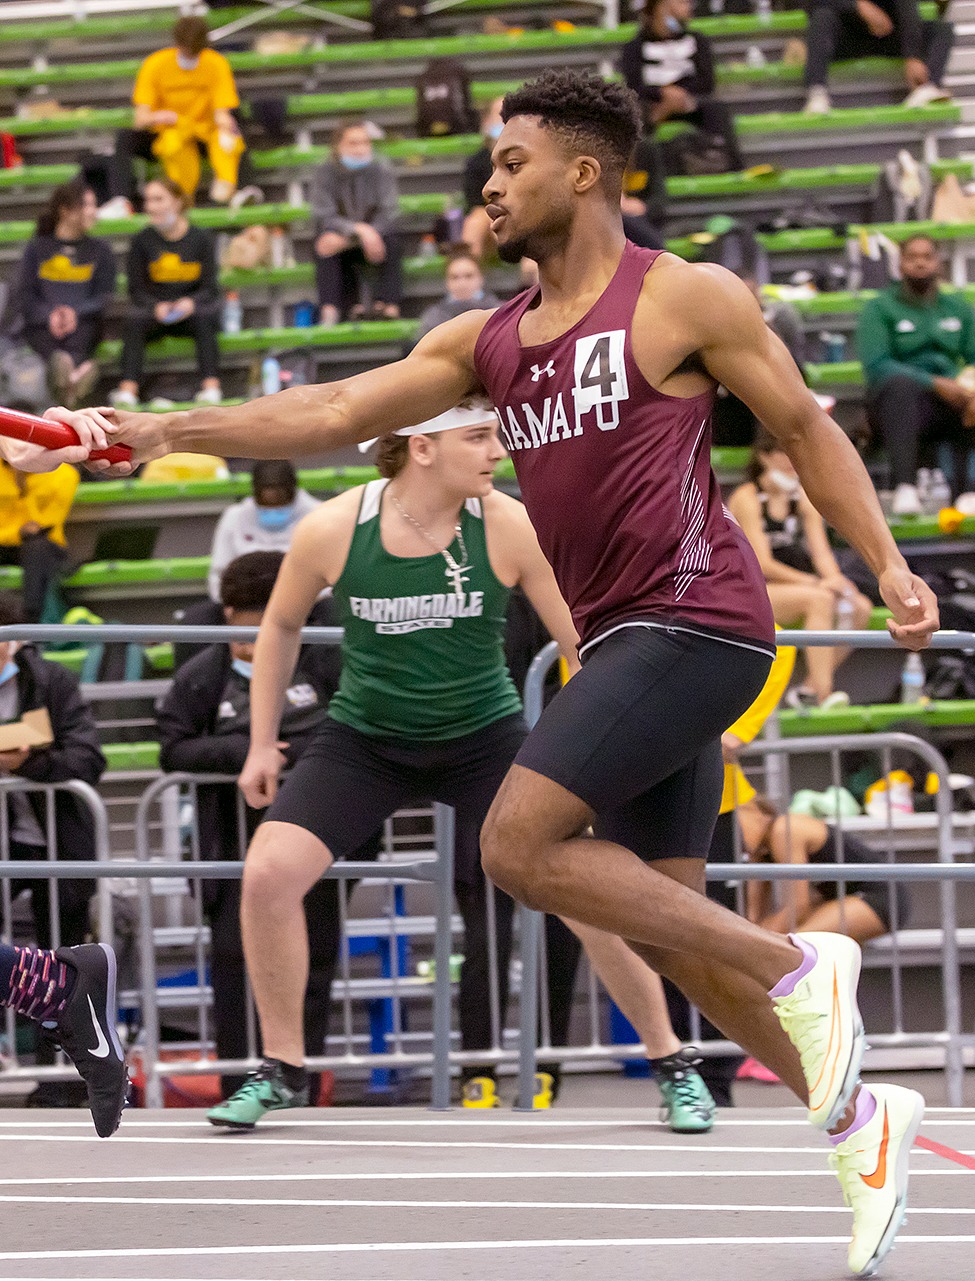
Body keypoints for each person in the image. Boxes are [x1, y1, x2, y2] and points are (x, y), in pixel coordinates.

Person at [93, 69, 938, 1274]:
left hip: (698, 617)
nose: (490, 184)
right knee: (678, 933)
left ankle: (803, 963)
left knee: (517, 847)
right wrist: (175, 430)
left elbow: (804, 428)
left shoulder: (682, 297)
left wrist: (889, 567)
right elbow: (338, 408)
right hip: (625, 639)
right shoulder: (487, 341)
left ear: (582, 173)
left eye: (511, 163)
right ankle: (860, 1117)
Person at [204, 404, 714, 1128]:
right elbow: (279, 625)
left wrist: (601, 745)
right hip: (365, 739)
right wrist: (261, 742)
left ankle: (671, 1061)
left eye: (494, 435)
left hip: (484, 734)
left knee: (588, 886)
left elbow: (580, 642)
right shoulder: (332, 529)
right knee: (266, 874)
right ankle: (281, 1066)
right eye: (477, 437)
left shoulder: (505, 523)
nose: (496, 451)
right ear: (421, 447)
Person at [157, 552, 345, 1098]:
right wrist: (247, 751)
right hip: (229, 850)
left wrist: (287, 755)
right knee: (236, 967)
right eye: (244, 622)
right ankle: (241, 1081)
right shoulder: (201, 677)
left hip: (314, 848)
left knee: (315, 961)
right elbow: (173, 747)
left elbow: (349, 728)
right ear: (227, 615)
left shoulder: (321, 663)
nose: (255, 636)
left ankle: (299, 1083)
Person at [0, 591, 124, 1129]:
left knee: (63, 920)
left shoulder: (50, 682)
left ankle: (58, 1077)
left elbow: (87, 758)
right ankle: (58, 985)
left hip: (52, 839)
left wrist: (30, 762)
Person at [727, 432, 873, 708]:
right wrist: (814, 583)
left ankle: (806, 690)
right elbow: (762, 562)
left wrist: (835, 579)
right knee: (818, 599)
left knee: (860, 606)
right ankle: (824, 692)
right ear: (765, 457)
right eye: (782, 453)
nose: (790, 461)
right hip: (752, 589)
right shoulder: (748, 497)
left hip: (795, 586)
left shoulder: (802, 497)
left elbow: (821, 552)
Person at [858, 234, 975, 514]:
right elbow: (877, 365)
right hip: (896, 405)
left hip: (950, 400)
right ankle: (905, 486)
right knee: (899, 386)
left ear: (939, 264)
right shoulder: (879, 308)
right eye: (912, 257)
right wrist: (932, 383)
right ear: (900, 265)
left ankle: (969, 489)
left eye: (927, 257)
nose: (920, 264)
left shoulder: (959, 308)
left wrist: (970, 390)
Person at [107, 14, 244, 210]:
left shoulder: (216, 63)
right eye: (186, 51)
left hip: (202, 133)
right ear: (177, 44)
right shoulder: (156, 64)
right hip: (167, 132)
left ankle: (235, 190)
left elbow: (222, 111)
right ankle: (122, 201)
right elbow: (140, 119)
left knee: (233, 135)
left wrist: (225, 125)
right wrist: (159, 116)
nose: (189, 58)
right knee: (127, 139)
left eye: (194, 53)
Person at [110, 177, 222, 409]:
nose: (151, 207)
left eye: (158, 199)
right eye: (148, 200)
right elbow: (136, 290)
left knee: (206, 317)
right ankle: (128, 390)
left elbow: (210, 288)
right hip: (157, 312)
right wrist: (155, 307)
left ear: (178, 202)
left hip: (190, 311)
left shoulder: (201, 239)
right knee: (134, 320)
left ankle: (211, 387)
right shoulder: (141, 241)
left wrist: (191, 302)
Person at [5, 179, 115, 409]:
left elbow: (104, 297)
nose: (93, 212)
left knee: (82, 332)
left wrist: (75, 312)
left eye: (94, 205)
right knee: (49, 345)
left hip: (83, 324)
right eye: (87, 205)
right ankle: (75, 378)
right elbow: (25, 295)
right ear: (65, 211)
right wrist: (50, 315)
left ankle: (67, 379)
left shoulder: (101, 251)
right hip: (43, 326)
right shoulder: (37, 248)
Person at [738, 796, 910, 943]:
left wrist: (759, 938)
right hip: (844, 898)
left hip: (880, 896)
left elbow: (798, 907)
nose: (730, 836)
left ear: (754, 811)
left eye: (732, 822)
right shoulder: (761, 851)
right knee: (776, 943)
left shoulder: (784, 830)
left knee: (794, 945)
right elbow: (753, 919)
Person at [620, 0, 745, 173]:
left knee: (716, 109)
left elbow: (706, 81)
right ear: (662, 5)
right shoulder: (634, 47)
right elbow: (634, 86)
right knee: (633, 115)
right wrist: (663, 94)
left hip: (690, 103)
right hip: (653, 105)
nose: (689, 5)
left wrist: (679, 95)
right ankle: (642, 177)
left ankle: (730, 167)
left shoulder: (698, 40)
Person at [310, 120, 402, 326]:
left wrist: (370, 232)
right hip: (342, 235)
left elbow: (390, 213)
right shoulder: (324, 172)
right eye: (353, 143)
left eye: (365, 142)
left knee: (392, 239)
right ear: (338, 146)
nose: (361, 149)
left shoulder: (382, 168)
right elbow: (324, 215)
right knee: (324, 242)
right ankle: (330, 309)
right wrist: (358, 232)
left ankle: (389, 305)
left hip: (376, 236)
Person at [803, 0, 954, 115]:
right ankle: (817, 92)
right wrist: (858, 5)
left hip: (888, 35)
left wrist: (913, 55)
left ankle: (926, 88)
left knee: (942, 30)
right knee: (822, 17)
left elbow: (907, 7)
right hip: (846, 38)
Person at [208, 461, 320, 602]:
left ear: (293, 491)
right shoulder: (234, 516)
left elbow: (329, 574)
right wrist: (228, 604)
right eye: (266, 503)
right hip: (246, 602)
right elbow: (219, 573)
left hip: (305, 601)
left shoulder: (319, 515)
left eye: (280, 502)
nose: (273, 508)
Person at [0, 455, 78, 624]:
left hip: (42, 545)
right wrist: (17, 532)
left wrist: (22, 485)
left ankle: (31, 620)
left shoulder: (65, 474)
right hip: (4, 543)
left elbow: (42, 527)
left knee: (37, 546)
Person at [409, 245, 501, 349]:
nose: (462, 283)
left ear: (481, 278)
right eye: (454, 277)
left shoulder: (500, 312)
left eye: (469, 276)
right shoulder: (433, 317)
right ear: (446, 282)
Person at [461, 99, 504, 261]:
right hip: (488, 216)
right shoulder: (476, 162)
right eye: (500, 115)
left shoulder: (529, 160)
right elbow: (474, 203)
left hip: (522, 213)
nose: (505, 121)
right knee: (475, 221)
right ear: (487, 122)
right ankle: (468, 276)